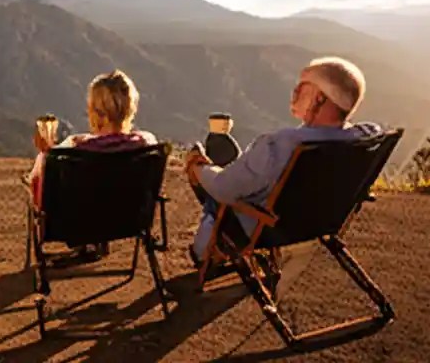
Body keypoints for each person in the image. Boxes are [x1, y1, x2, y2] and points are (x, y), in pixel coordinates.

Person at [184, 56, 387, 266]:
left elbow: (223, 188)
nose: (295, 92)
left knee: (212, 187)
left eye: (303, 86)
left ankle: (205, 251)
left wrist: (198, 166)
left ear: (319, 98)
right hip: (317, 222)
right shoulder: (365, 139)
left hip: (265, 228)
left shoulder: (280, 145)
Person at [28, 69, 159, 258]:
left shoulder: (72, 151)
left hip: (77, 224)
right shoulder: (146, 145)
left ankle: (86, 244)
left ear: (99, 115)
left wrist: (45, 153)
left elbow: (40, 187)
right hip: (128, 222)